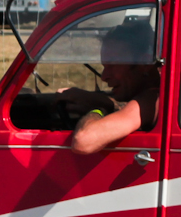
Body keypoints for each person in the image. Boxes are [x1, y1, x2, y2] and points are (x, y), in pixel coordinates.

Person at [60, 20, 160, 155]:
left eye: (113, 65)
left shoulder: (151, 99)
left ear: (145, 63)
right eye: (104, 66)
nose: (104, 76)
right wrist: (106, 102)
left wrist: (97, 110)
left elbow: (83, 141)